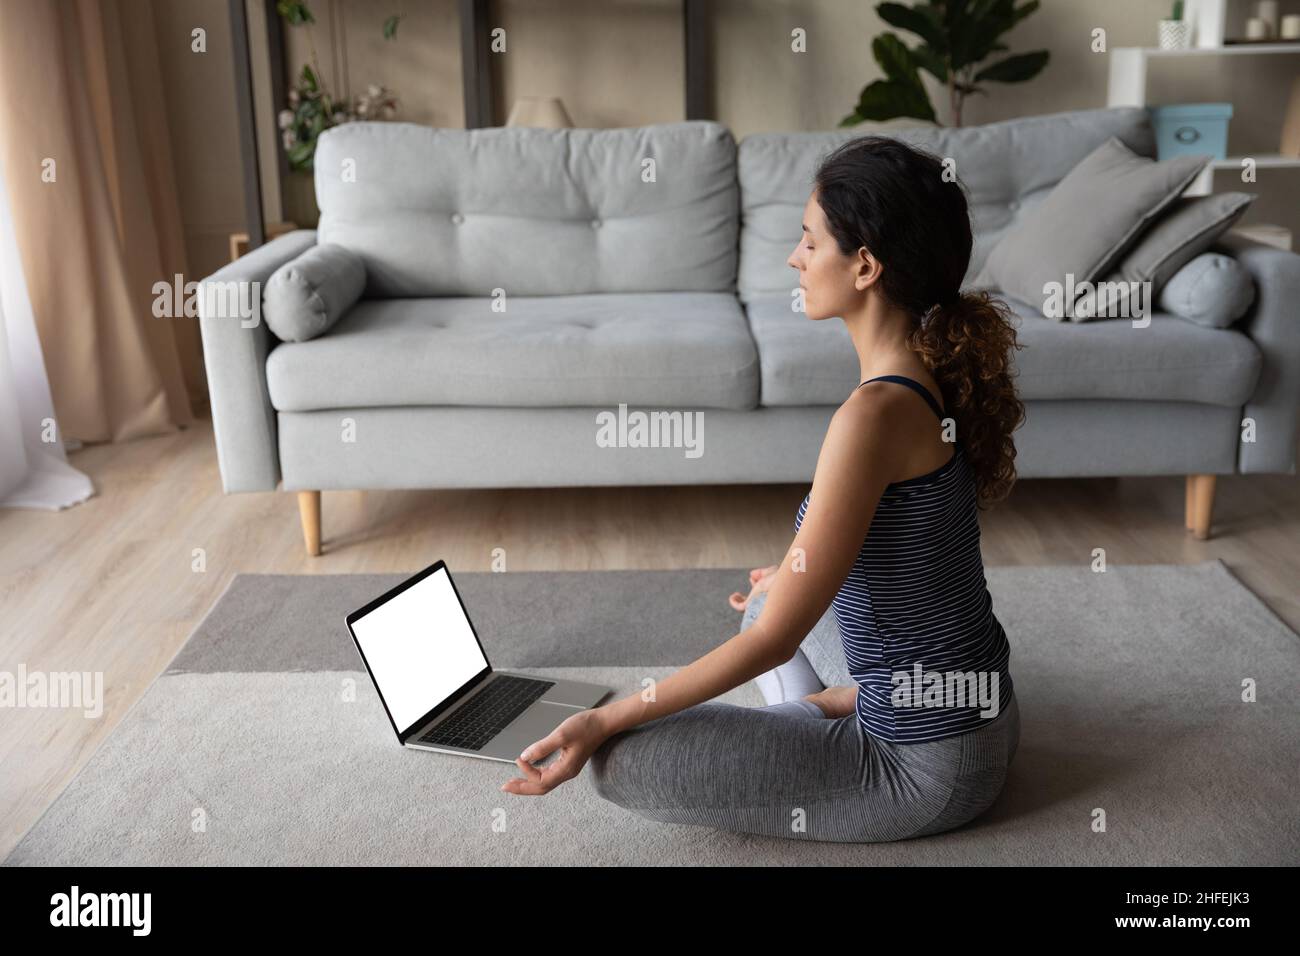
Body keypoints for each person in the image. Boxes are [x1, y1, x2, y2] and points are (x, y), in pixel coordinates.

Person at [500, 134, 1027, 843]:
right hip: (979, 711)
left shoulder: (871, 416)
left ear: (865, 265)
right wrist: (794, 574)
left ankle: (825, 713)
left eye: (811, 243)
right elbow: (914, 551)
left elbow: (778, 645)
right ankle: (833, 705)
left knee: (620, 761)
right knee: (768, 602)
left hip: (924, 767)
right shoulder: (916, 381)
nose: (794, 259)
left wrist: (606, 717)